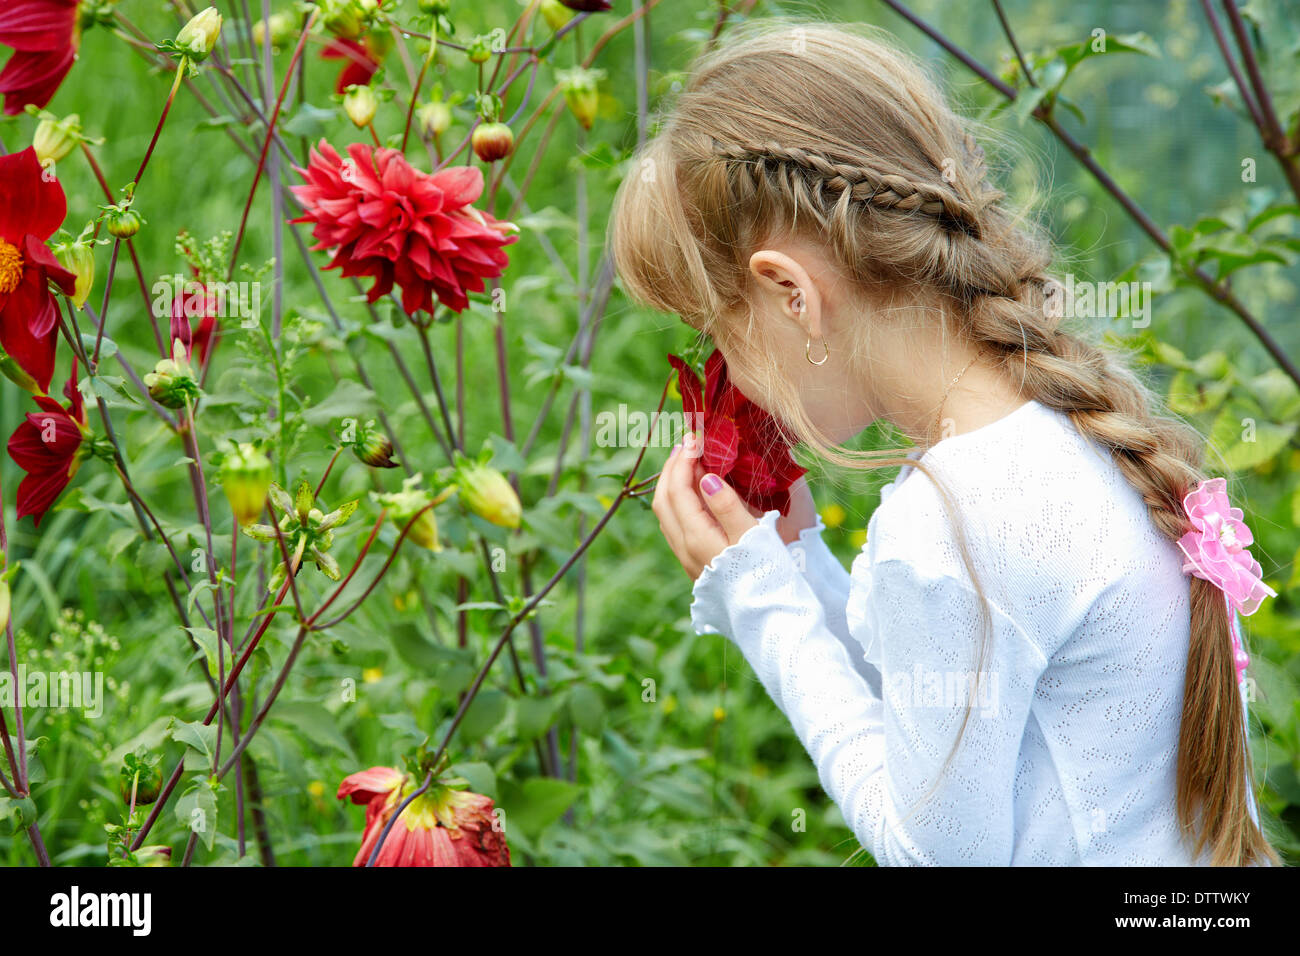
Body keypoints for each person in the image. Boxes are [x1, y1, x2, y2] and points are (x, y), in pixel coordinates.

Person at [610, 19, 1279, 866]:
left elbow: (932, 850)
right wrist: (798, 562)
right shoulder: (1060, 429)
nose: (729, 374)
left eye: (716, 329)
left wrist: (761, 605)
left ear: (789, 294)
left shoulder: (952, 523)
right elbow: (948, 721)